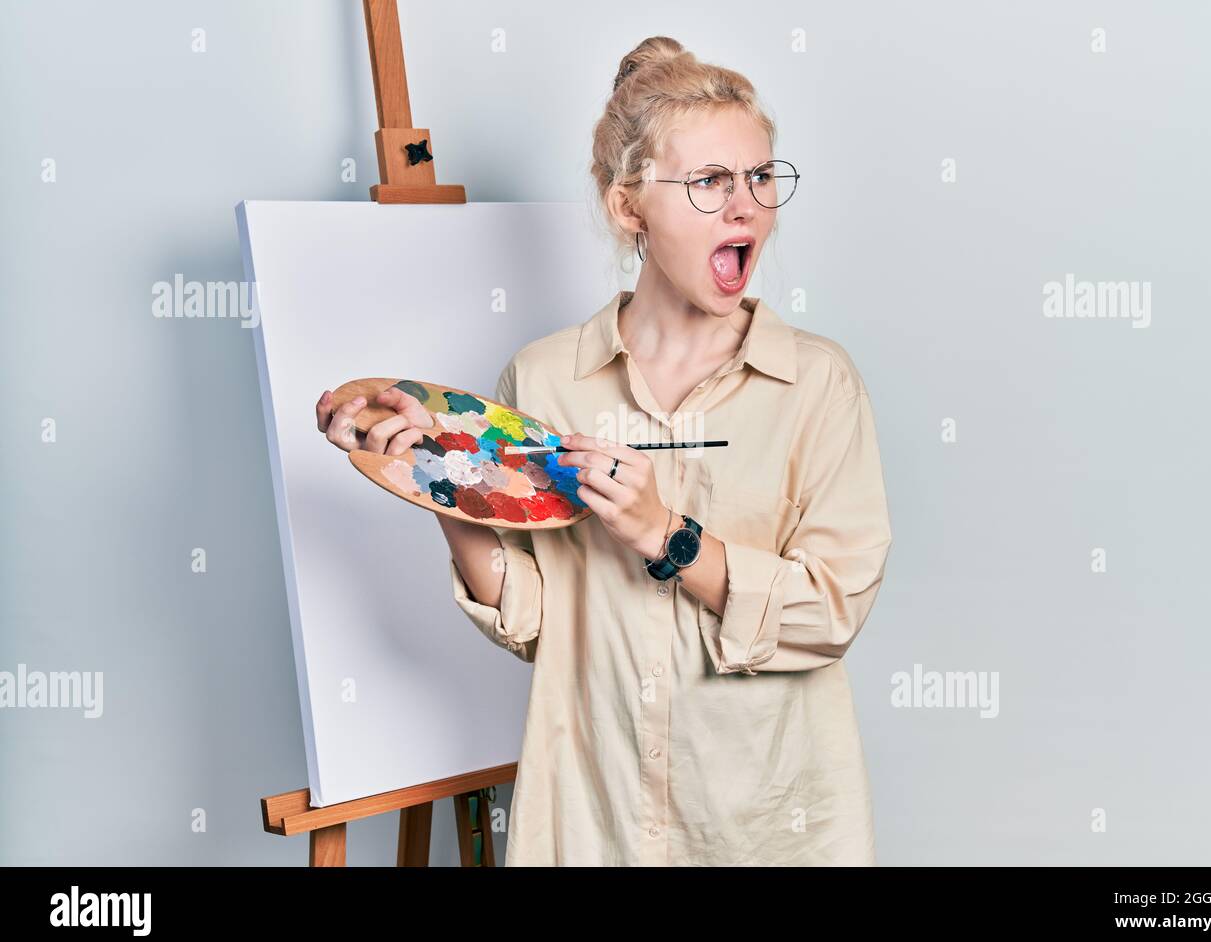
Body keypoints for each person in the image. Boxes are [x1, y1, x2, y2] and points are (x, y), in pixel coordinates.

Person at [315, 35, 893, 866]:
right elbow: (536, 623)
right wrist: (437, 483)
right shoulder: (546, 378)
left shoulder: (818, 384)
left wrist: (668, 535)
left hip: (767, 825)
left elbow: (832, 612)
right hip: (593, 821)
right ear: (629, 208)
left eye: (761, 178)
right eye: (709, 183)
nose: (746, 208)